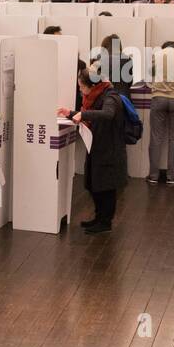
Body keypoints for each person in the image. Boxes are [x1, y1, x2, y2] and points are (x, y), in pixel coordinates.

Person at [59, 67, 127, 234]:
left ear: (92, 85)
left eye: (82, 87)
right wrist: (71, 113)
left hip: (109, 148)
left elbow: (107, 114)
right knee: (92, 183)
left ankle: (105, 222)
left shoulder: (110, 96)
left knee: (105, 186)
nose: (81, 91)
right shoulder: (97, 95)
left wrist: (83, 115)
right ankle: (99, 217)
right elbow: (90, 113)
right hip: (97, 145)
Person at [147, 41, 174, 185]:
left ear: (163, 48)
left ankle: (153, 176)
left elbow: (150, 73)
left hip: (158, 98)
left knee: (155, 138)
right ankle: (172, 177)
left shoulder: (157, 54)